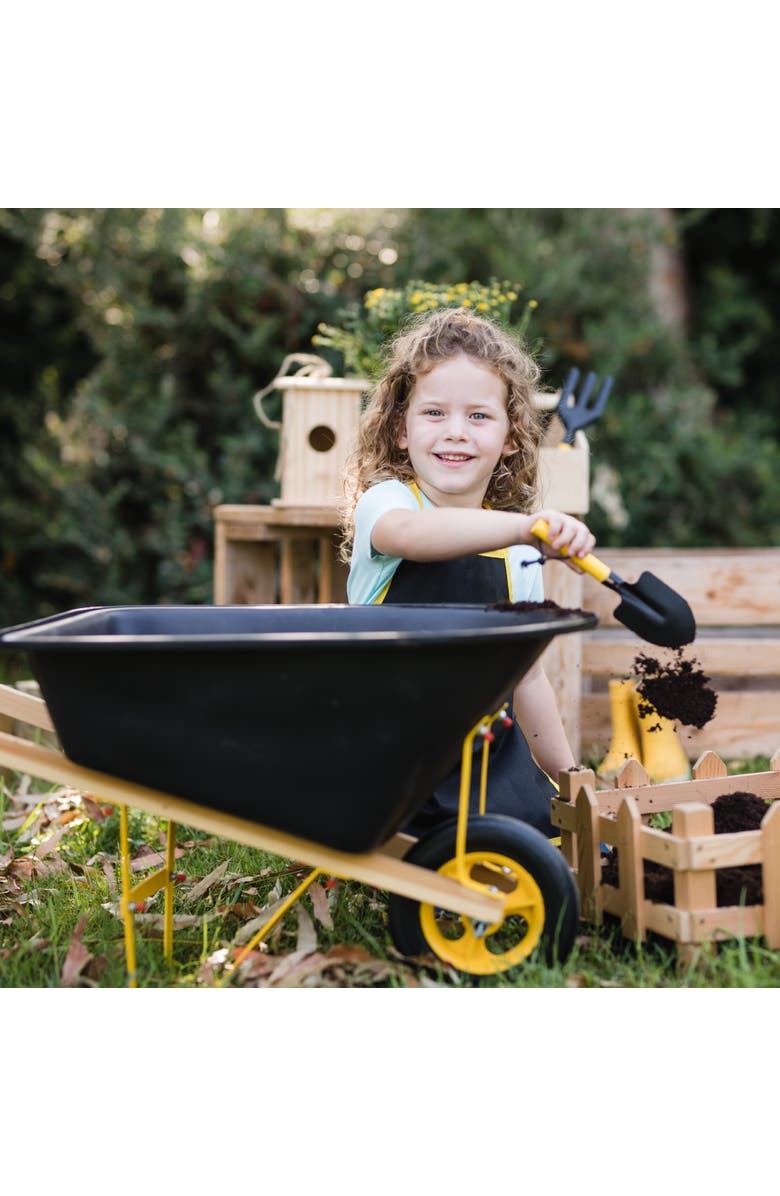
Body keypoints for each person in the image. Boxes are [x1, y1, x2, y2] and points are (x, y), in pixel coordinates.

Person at [341, 307, 596, 838]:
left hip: (482, 758)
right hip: (389, 753)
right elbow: (411, 537)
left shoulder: (513, 554)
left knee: (541, 838)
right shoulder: (387, 503)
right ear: (400, 430)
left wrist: (569, 777)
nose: (456, 432)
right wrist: (523, 527)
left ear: (510, 437)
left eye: (479, 416)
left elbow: (525, 676)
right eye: (434, 413)